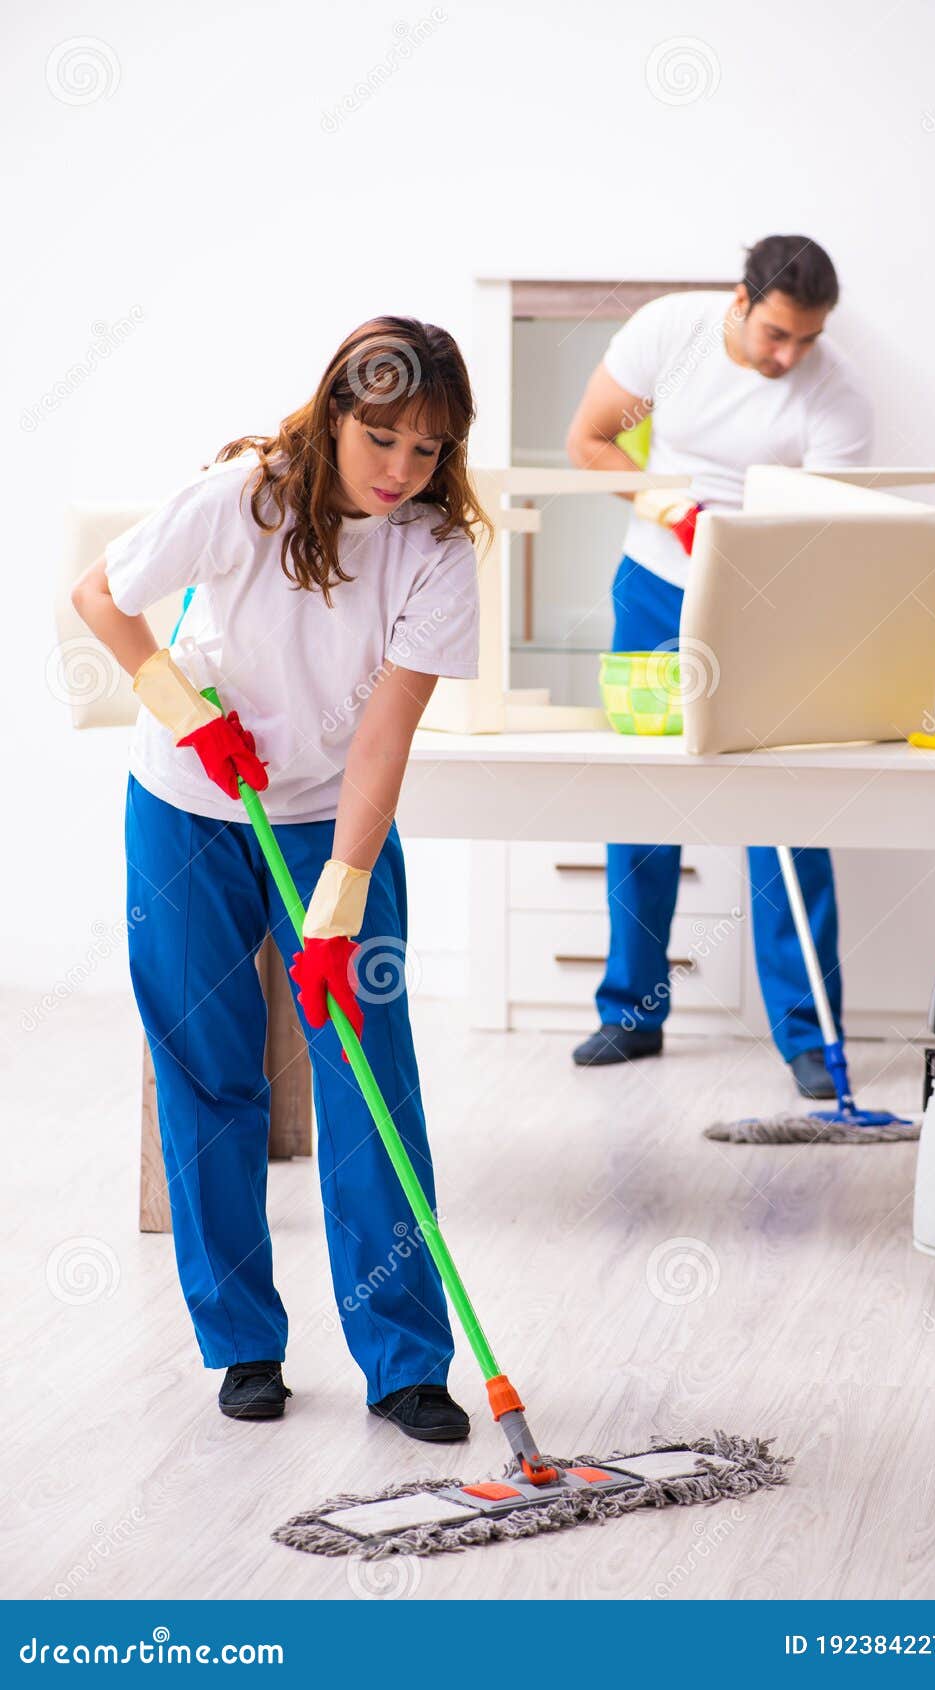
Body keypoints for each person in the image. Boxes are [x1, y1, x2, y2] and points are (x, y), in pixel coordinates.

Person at [71, 317, 484, 1439]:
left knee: (368, 1073)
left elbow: (384, 736)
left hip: (328, 821)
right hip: (188, 805)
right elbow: (100, 594)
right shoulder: (242, 497)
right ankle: (243, 1344)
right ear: (335, 412)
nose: (401, 470)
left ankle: (405, 1361)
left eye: (428, 449)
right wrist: (183, 711)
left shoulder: (437, 549)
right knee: (208, 1069)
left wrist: (341, 901)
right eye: (382, 437)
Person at [565, 236, 873, 1095]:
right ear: (741, 302)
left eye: (807, 339)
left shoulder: (837, 392)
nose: (790, 357)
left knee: (786, 810)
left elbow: (827, 527)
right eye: (777, 333)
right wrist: (668, 506)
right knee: (643, 798)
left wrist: (750, 565)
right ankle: (630, 1015)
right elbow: (589, 440)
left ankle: (810, 1035)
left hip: (770, 602)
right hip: (656, 586)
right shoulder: (672, 331)